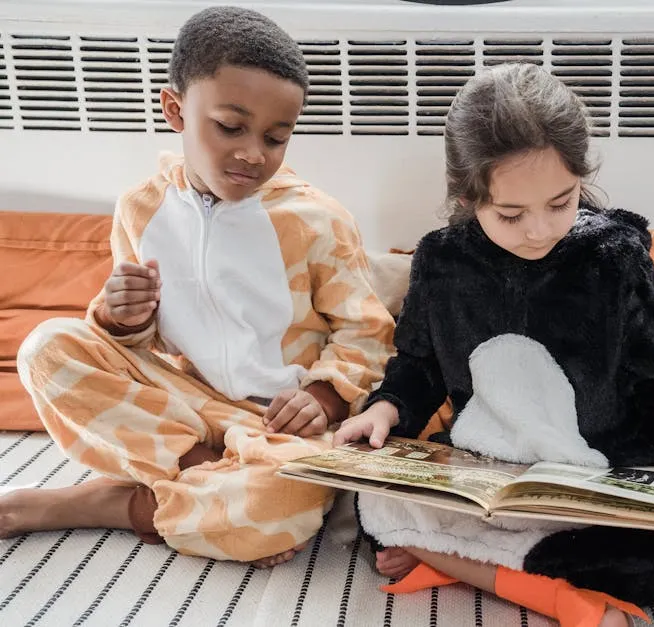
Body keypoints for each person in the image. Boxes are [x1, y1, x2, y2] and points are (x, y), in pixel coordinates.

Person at [333, 62, 654, 627]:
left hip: (596, 480)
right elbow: (419, 362)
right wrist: (384, 409)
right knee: (371, 501)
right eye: (511, 214)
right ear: (466, 196)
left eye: (561, 202)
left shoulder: (614, 255)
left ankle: (454, 560)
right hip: (486, 475)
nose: (539, 230)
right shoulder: (441, 260)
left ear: (582, 175)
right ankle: (530, 582)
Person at [1, 6, 394, 568]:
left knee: (287, 503)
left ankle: (116, 505)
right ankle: (207, 488)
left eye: (277, 137)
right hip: (184, 406)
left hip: (278, 429)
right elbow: (133, 349)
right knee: (46, 347)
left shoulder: (317, 221)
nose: (254, 153)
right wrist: (122, 319)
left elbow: (369, 333)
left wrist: (322, 399)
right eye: (231, 128)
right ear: (176, 110)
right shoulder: (140, 209)